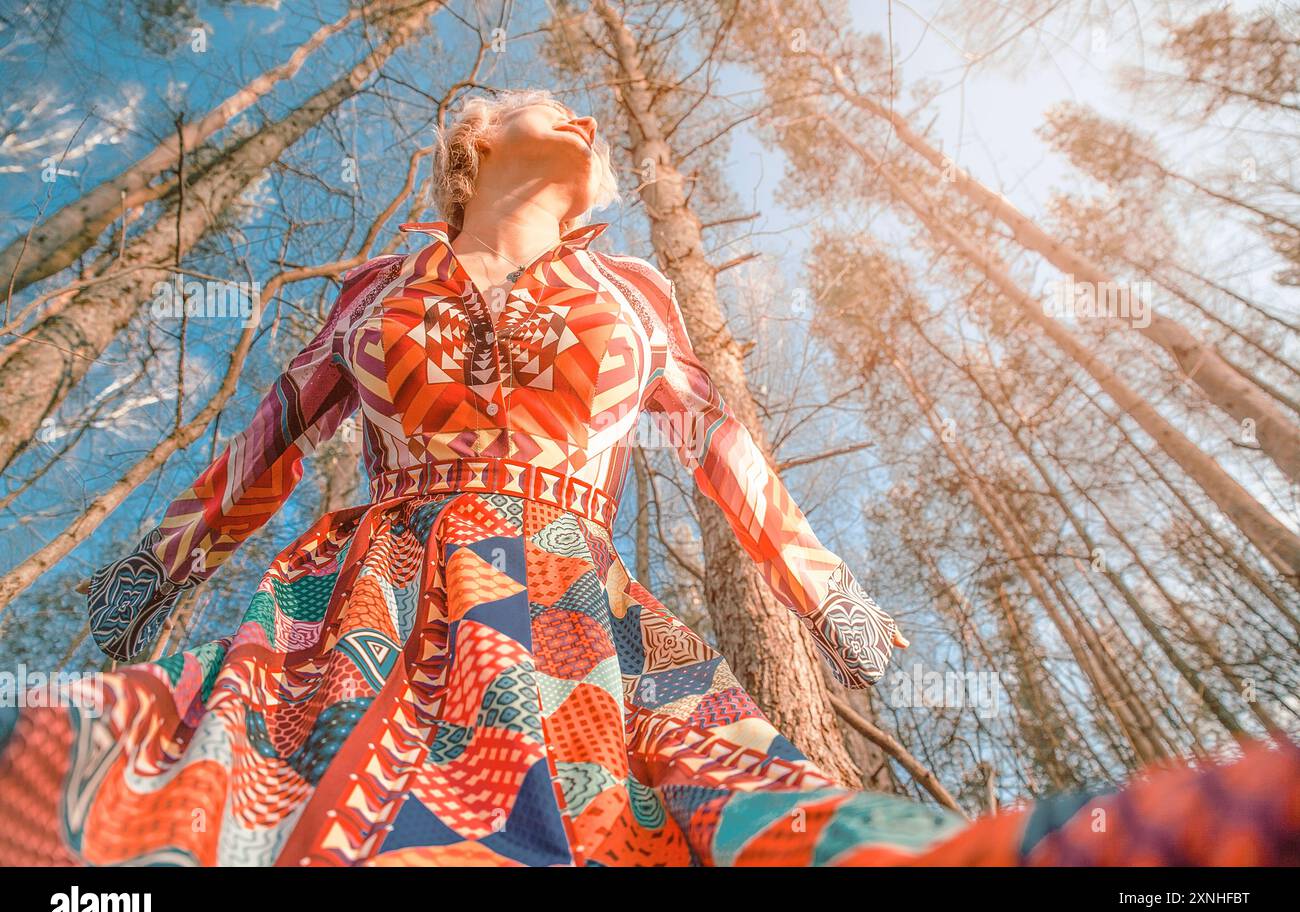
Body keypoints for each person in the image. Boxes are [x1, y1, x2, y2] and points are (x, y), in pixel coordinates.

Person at [0, 89, 1294, 867]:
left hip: (581, 616)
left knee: (721, 811)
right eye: (533, 108)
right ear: (469, 149)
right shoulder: (377, 286)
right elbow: (267, 436)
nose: (575, 120)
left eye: (585, 122)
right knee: (140, 791)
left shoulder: (634, 288)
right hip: (357, 597)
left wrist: (836, 609)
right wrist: (138, 589)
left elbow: (717, 444)